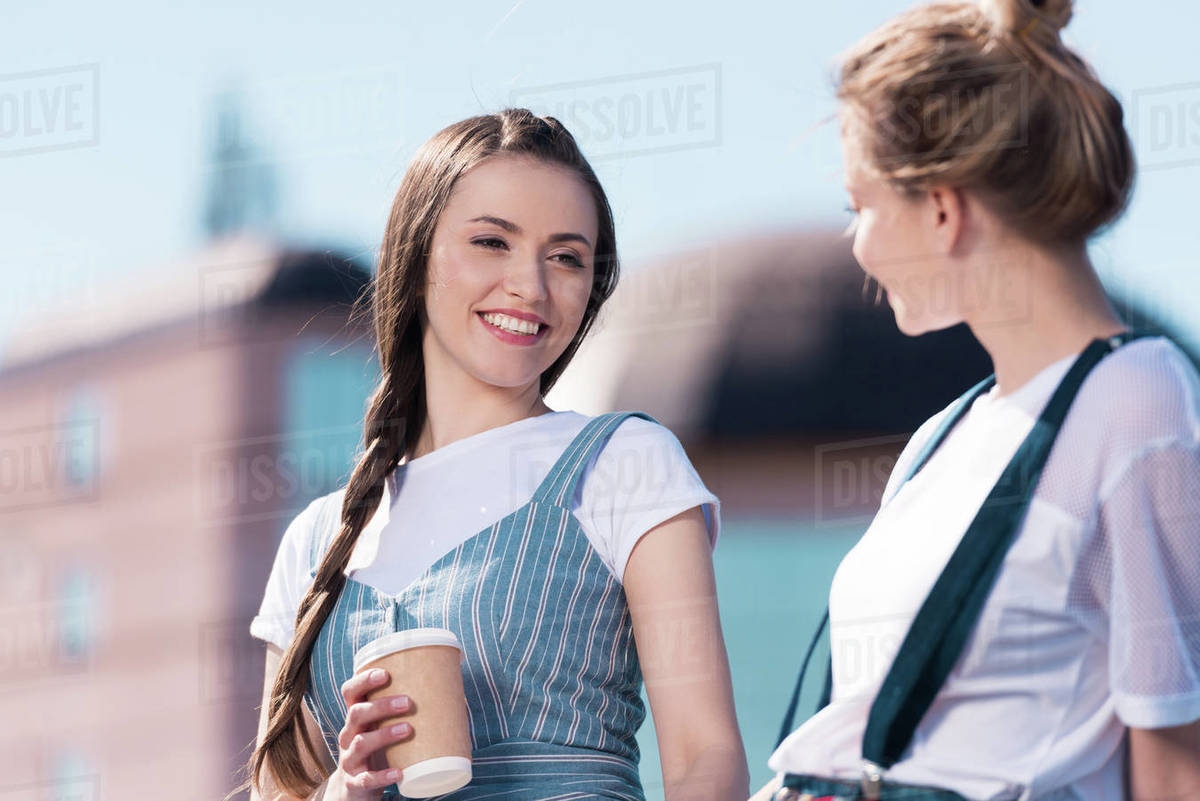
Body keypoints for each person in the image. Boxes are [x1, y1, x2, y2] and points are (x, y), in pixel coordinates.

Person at [754, 0, 1200, 799]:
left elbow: (1177, 748)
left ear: (941, 208)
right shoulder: (942, 436)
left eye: (860, 206)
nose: (854, 242)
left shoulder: (1139, 399)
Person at [236, 109, 749, 801]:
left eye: (566, 256)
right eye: (491, 242)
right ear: (415, 258)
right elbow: (282, 792)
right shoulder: (313, 542)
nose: (531, 286)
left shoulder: (626, 462)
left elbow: (704, 759)